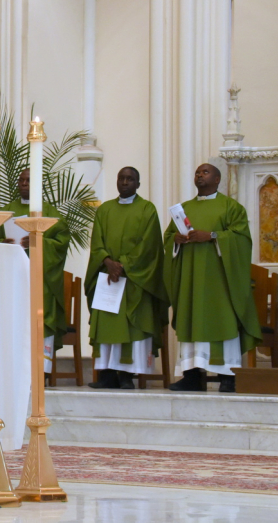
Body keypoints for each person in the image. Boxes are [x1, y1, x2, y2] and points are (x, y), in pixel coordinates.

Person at [164, 163, 261, 393]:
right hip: (190, 279)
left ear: (218, 179)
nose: (199, 175)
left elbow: (242, 239)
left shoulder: (231, 207)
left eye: (205, 172)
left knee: (223, 320)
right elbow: (168, 238)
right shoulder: (183, 209)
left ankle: (227, 375)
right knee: (191, 317)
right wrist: (175, 240)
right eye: (197, 172)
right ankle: (192, 376)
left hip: (220, 280)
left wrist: (212, 236)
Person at [86, 167, 169, 390]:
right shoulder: (104, 210)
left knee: (132, 323)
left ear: (138, 184)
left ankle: (126, 375)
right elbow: (97, 242)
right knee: (107, 324)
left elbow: (149, 245)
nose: (124, 182)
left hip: (135, 280)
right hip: (108, 278)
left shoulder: (147, 209)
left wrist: (123, 264)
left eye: (130, 179)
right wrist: (107, 261)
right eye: (121, 178)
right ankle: (106, 374)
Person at [0, 168, 70, 374]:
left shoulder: (50, 214)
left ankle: (40, 372)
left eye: (29, 180)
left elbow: (61, 243)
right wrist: (3, 244)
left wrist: (39, 242)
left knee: (40, 319)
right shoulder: (6, 211)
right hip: (12, 281)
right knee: (13, 322)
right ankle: (12, 371)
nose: (23, 183)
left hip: (41, 281)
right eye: (21, 180)